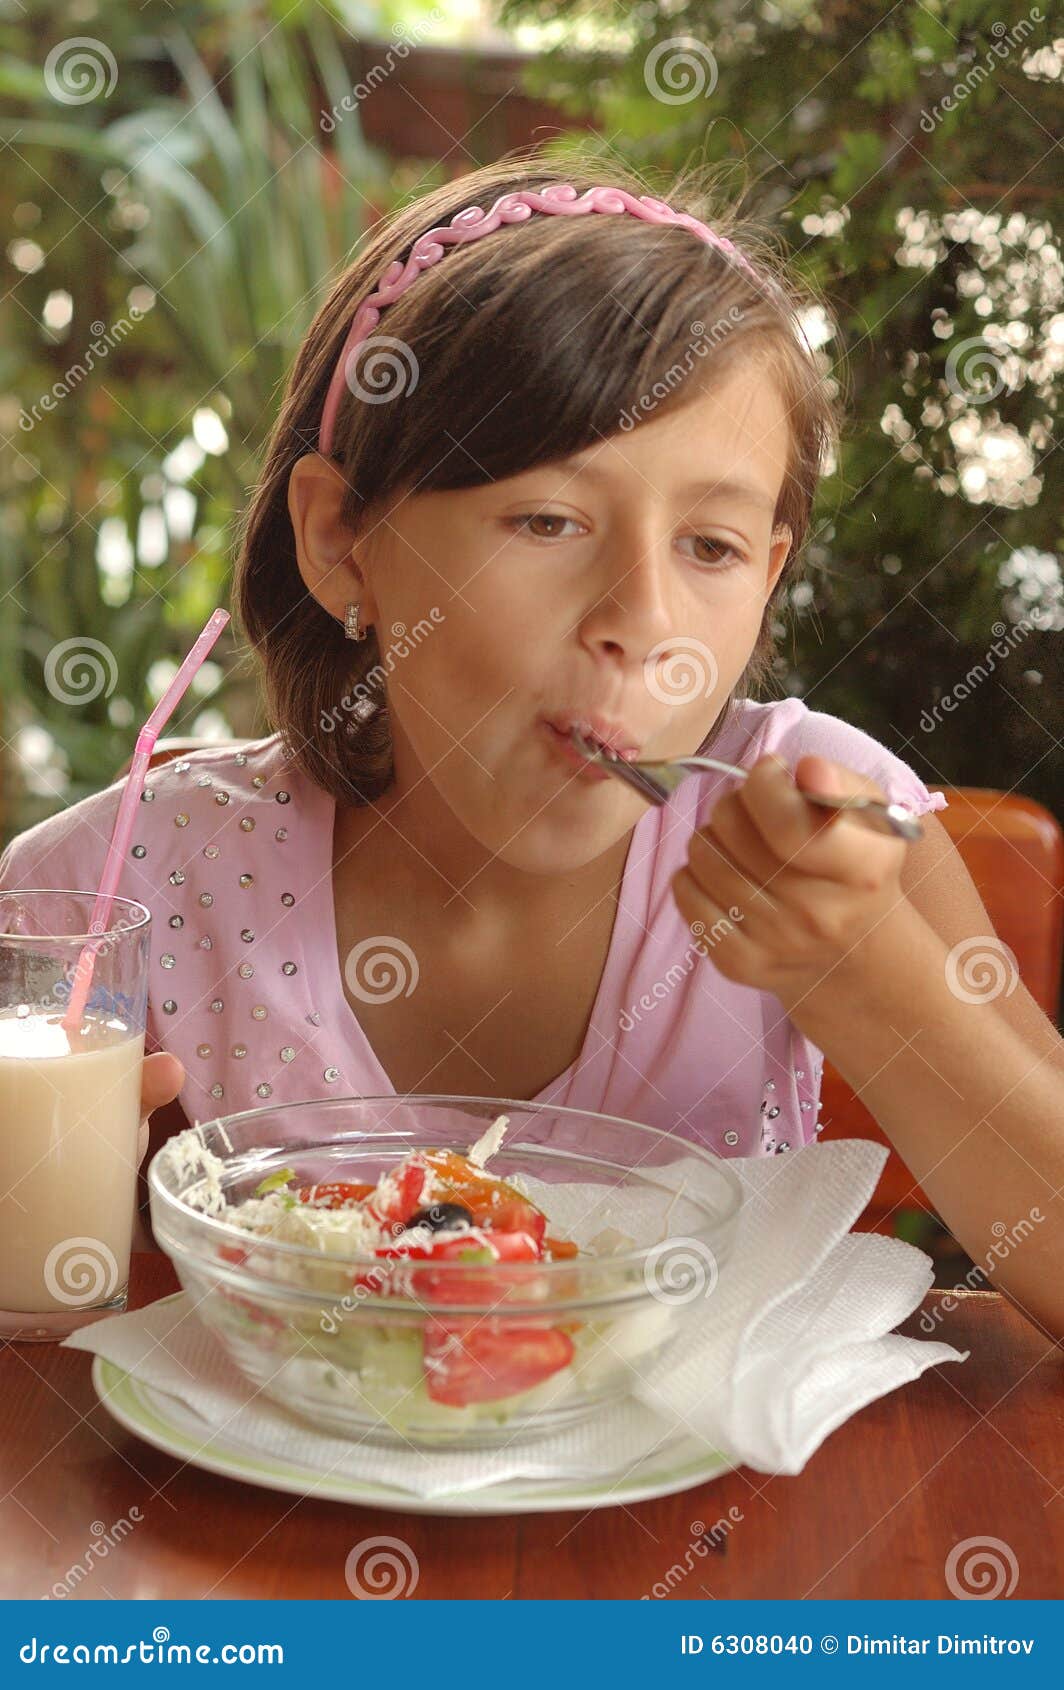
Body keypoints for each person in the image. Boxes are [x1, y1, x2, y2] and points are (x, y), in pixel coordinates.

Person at [3, 153, 1062, 1330]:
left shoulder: (843, 837)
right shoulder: (122, 890)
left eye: (708, 548)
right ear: (342, 539)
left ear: (766, 573)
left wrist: (870, 982)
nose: (641, 624)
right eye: (548, 521)